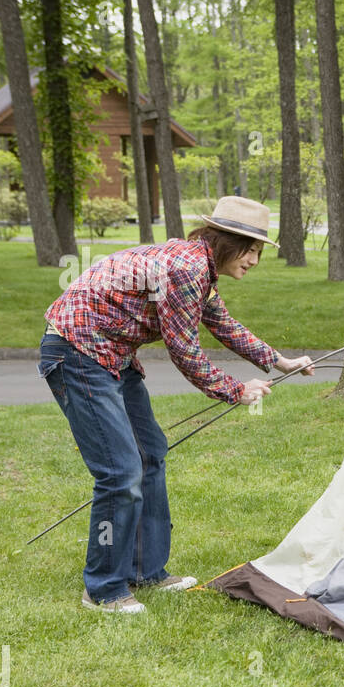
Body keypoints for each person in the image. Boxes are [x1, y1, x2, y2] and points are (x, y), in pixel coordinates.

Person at [38, 196, 314, 613]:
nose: (256, 260)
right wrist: (235, 390)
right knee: (119, 472)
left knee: (151, 454)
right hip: (77, 353)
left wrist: (278, 361)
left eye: (259, 252)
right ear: (226, 241)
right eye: (252, 250)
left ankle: (146, 571)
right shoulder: (186, 268)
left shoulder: (198, 269)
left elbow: (223, 324)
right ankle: (104, 590)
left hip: (114, 353)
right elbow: (184, 349)